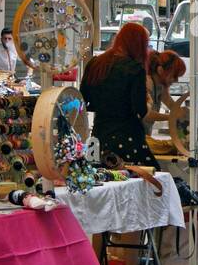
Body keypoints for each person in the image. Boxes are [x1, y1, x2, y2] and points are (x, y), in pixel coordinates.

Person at [80, 22, 158, 166]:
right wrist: (149, 102)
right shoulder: (134, 69)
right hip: (128, 140)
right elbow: (140, 111)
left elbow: (84, 99)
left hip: (99, 135)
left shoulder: (95, 64)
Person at [145, 50, 186, 133]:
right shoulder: (147, 82)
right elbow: (146, 114)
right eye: (174, 76)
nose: (176, 80)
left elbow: (170, 102)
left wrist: (187, 115)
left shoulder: (161, 85)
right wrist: (172, 116)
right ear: (160, 70)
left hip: (145, 134)